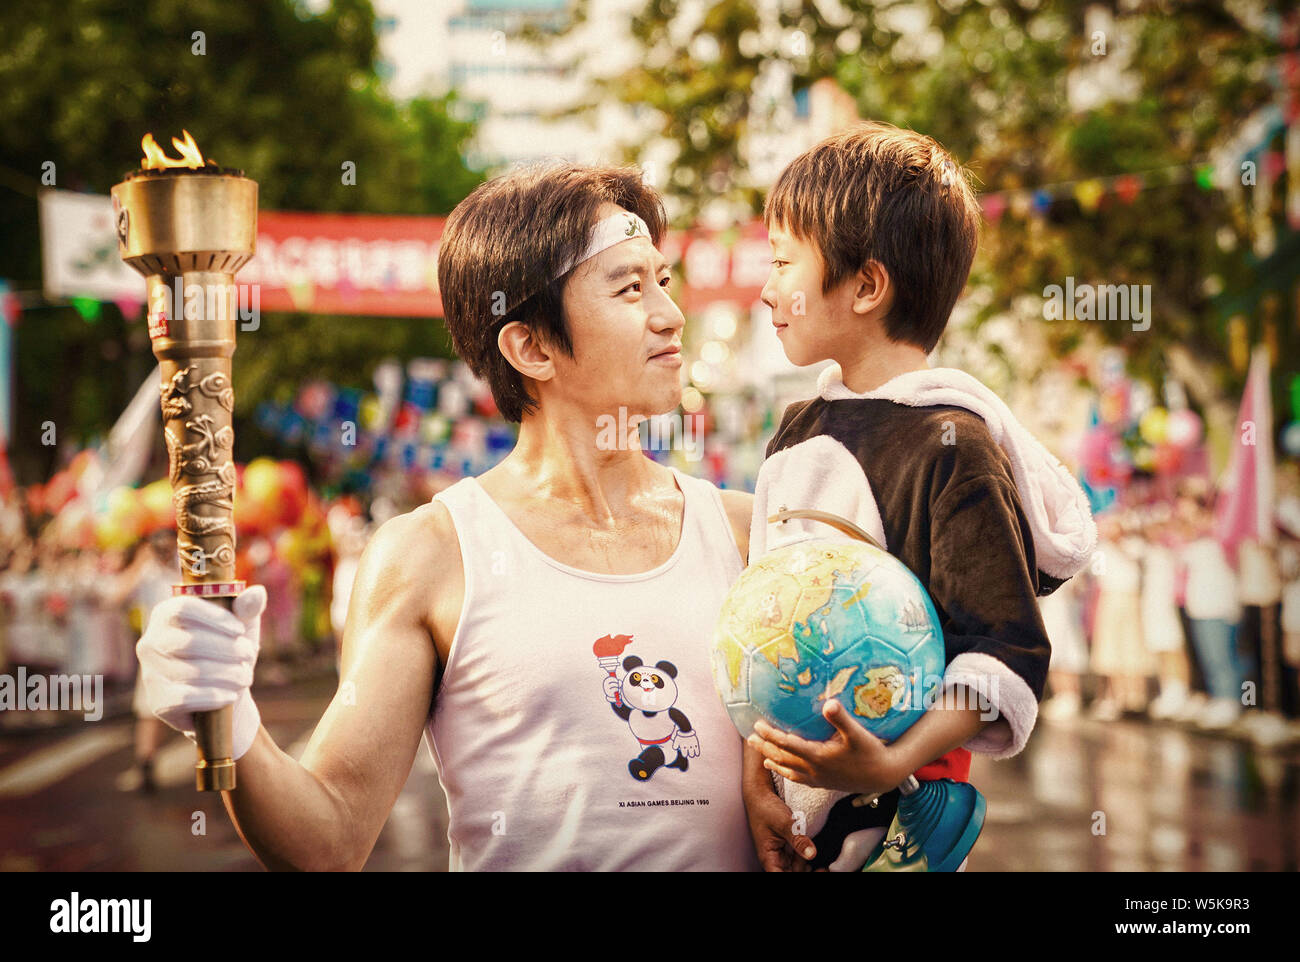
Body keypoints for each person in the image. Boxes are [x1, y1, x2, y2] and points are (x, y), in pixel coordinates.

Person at [135, 163, 760, 871]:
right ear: (531, 347)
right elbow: (328, 838)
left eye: (663, 281)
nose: (671, 316)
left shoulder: (745, 534)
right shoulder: (431, 557)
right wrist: (231, 718)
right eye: (629, 288)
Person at [741, 122, 1097, 870]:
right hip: (792, 806)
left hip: (897, 826)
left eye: (782, 262)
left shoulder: (952, 446)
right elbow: (755, 628)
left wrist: (884, 762)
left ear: (866, 285)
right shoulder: (796, 430)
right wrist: (757, 773)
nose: (767, 288)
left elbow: (1007, 648)